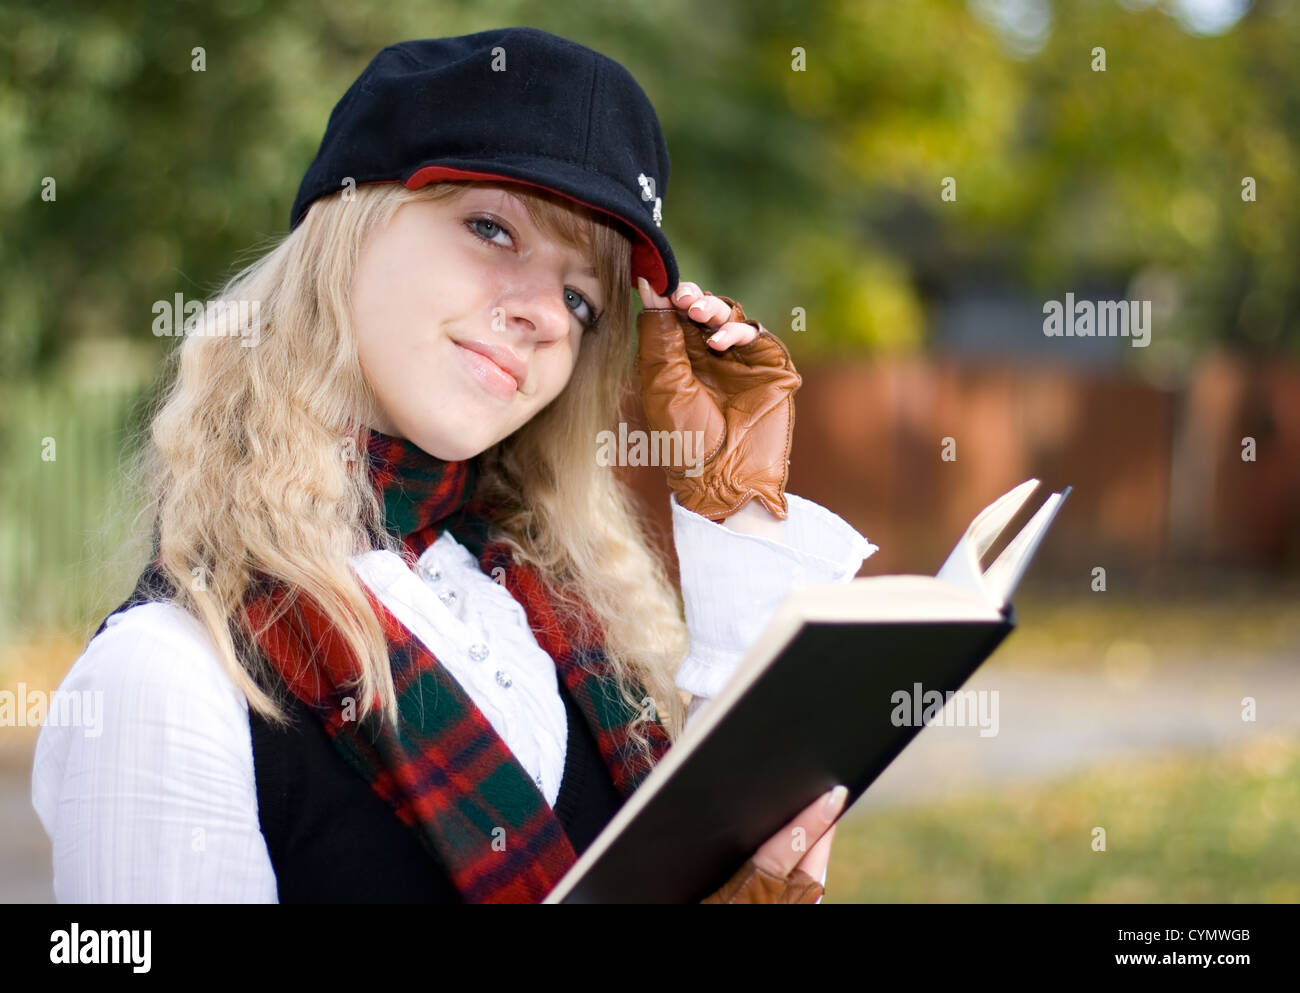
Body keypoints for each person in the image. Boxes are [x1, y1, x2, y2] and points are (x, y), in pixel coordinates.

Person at [31, 26, 877, 903]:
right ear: (347, 229)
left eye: (581, 298)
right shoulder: (166, 677)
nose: (545, 312)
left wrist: (729, 504)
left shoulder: (574, 626)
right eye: (491, 228)